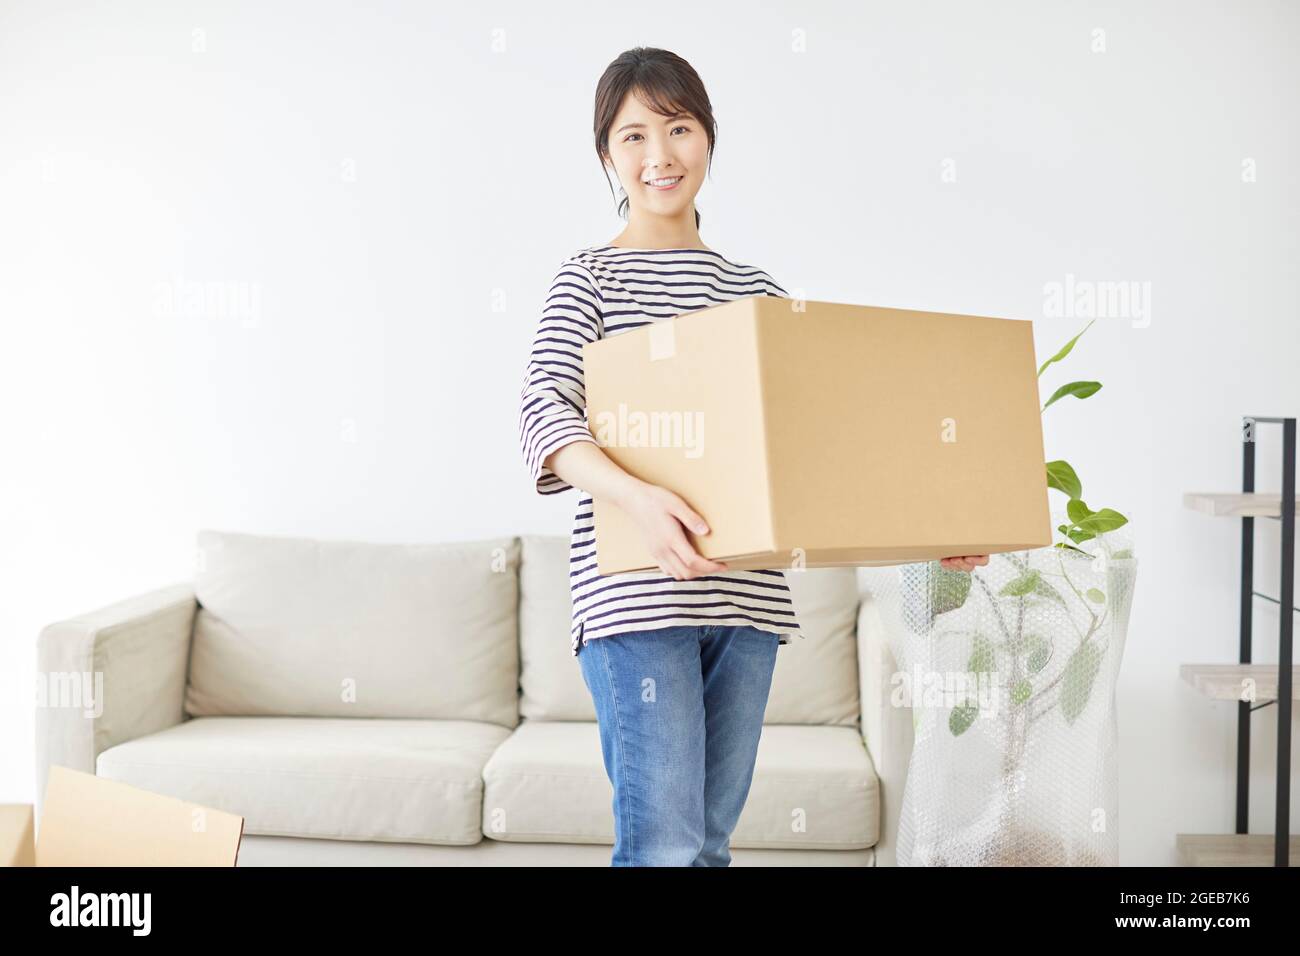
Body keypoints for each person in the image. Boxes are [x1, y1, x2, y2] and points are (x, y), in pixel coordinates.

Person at [517, 47, 987, 866]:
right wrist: (636, 497)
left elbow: (823, 449)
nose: (659, 155)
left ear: (709, 139)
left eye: (678, 128)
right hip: (635, 605)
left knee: (708, 848)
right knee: (663, 844)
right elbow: (544, 415)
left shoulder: (757, 294)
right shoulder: (587, 281)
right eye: (633, 137)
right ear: (606, 156)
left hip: (746, 607)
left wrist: (931, 526)